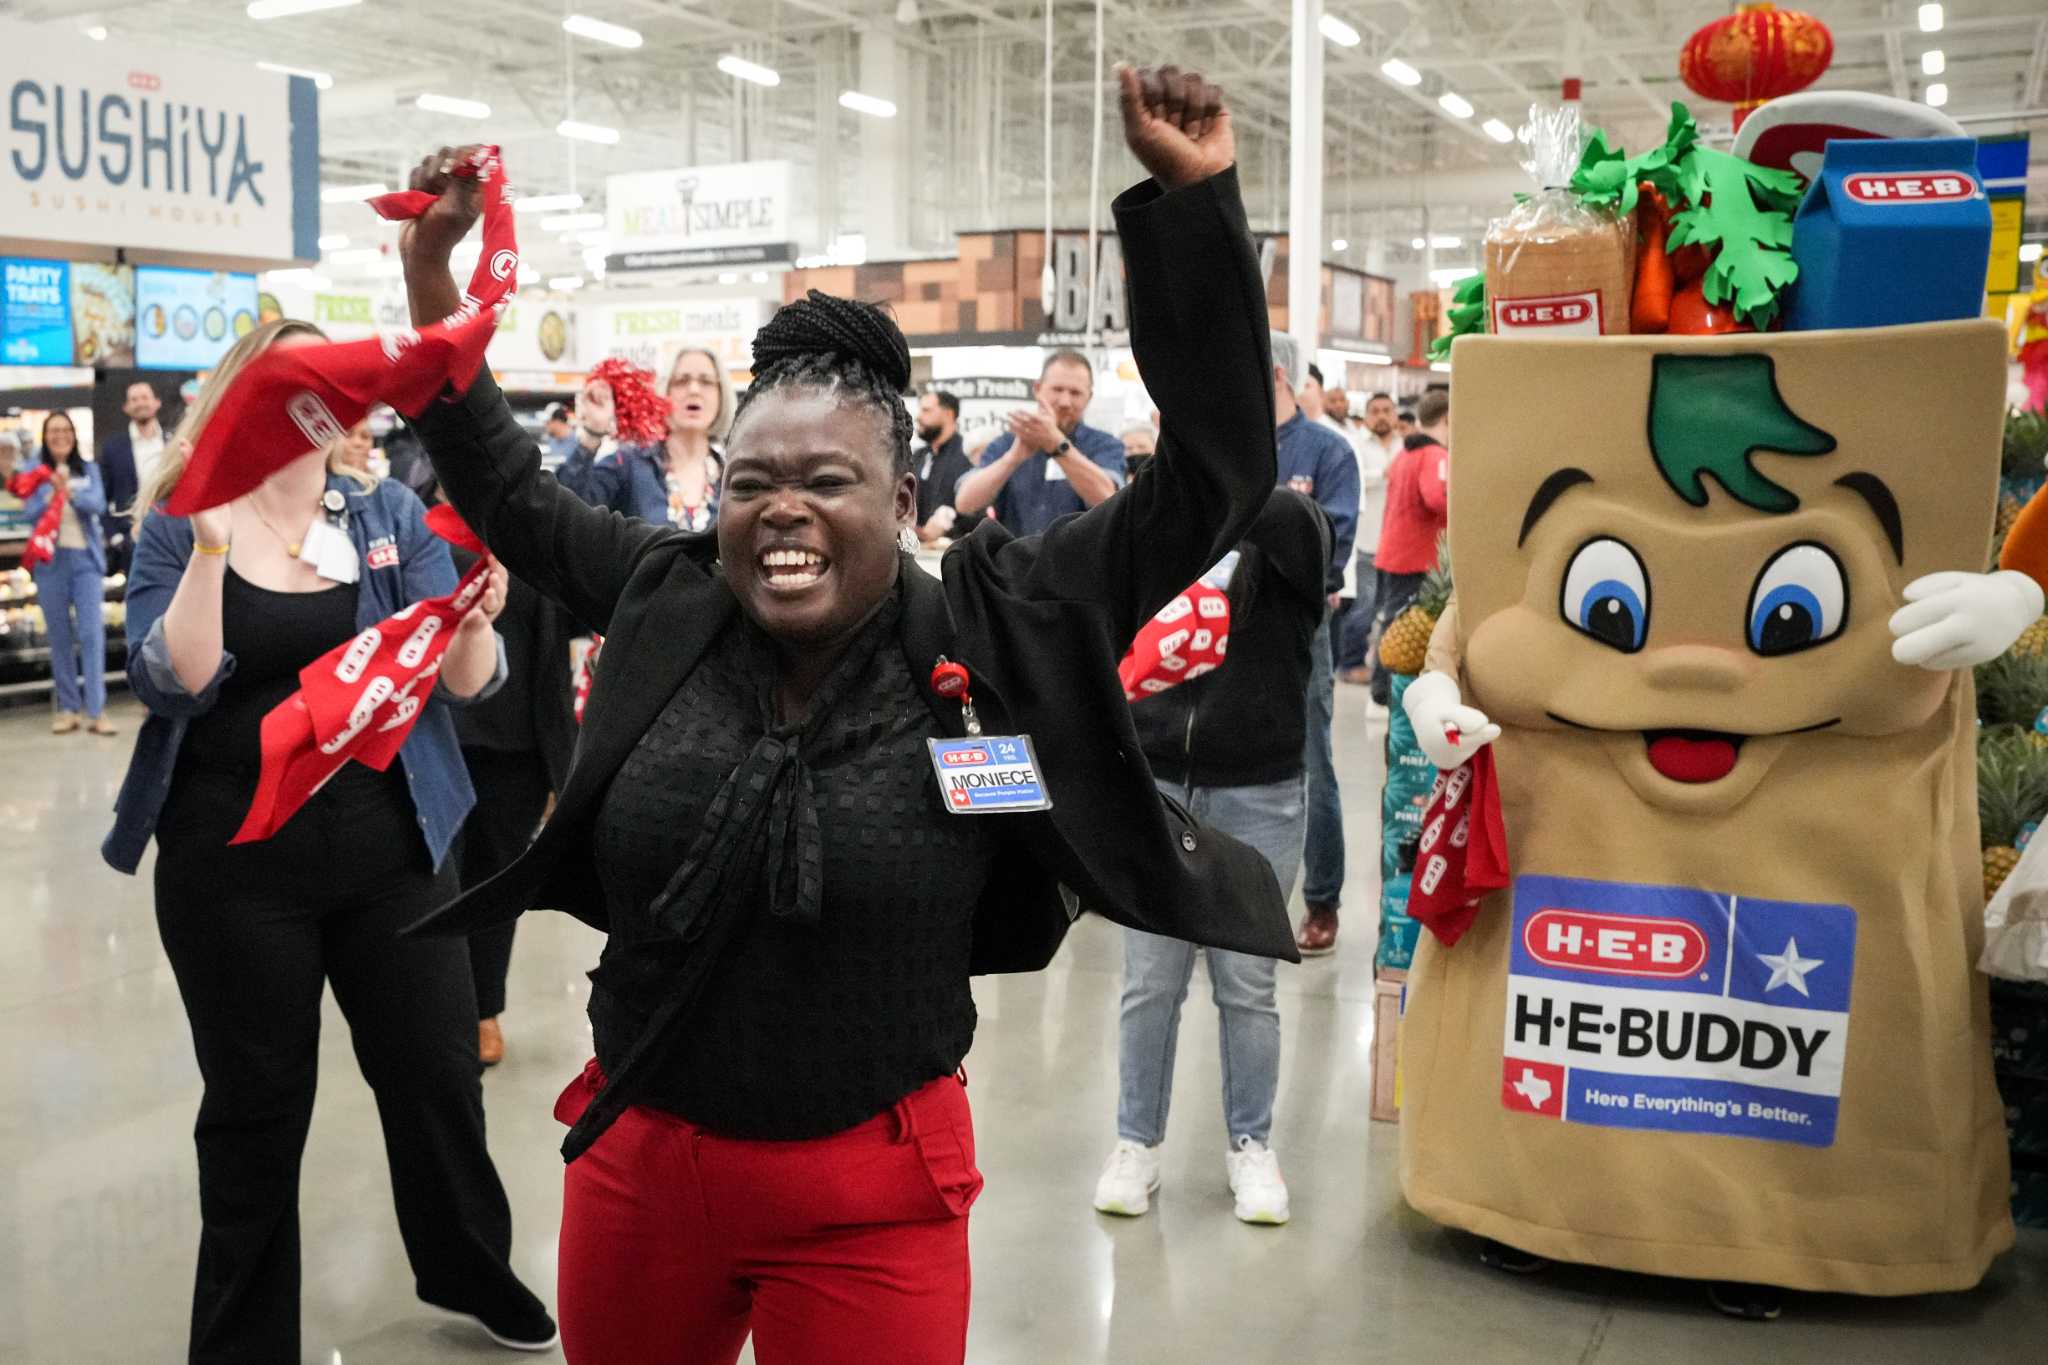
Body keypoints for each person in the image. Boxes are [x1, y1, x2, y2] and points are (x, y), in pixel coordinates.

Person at [393, 63, 1291, 1364]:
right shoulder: (666, 593)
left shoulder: (989, 621)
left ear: (899, 489)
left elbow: (1208, 480)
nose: (783, 506)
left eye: (828, 477)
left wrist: (1197, 211)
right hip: (644, 1160)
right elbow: (514, 496)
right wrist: (434, 295)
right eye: (754, 480)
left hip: (874, 1189)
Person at [101, 319, 557, 1361]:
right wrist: (214, 541)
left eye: (323, 384)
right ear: (240, 394)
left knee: (438, 1075)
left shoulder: (388, 510)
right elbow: (173, 679)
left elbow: (469, 685)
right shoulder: (181, 520)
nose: (305, 404)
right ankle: (243, 1336)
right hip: (234, 865)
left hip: (395, 849)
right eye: (280, 383)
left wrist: (477, 619)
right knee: (257, 1105)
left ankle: (467, 1266)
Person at [1095, 487, 1330, 1226]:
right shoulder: (1159, 540)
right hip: (1158, 781)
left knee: (1247, 981)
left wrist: (1223, 469)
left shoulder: (1290, 534)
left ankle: (1251, 1143)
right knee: (1150, 979)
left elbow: (1285, 520)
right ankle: (1136, 1141)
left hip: (1260, 789)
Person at [413, 463, 578, 1069]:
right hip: (438, 735)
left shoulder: (526, 525)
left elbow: (564, 625)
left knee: (494, 885)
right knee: (432, 883)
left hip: (519, 745)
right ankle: (435, 1008)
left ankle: (484, 1010)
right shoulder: (415, 524)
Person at [1268, 333, 1357, 959]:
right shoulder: (1220, 446)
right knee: (1215, 767)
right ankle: (1222, 897)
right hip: (1211, 625)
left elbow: (1336, 545)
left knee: (1312, 763)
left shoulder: (1327, 452)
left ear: (1274, 374)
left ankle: (1322, 900)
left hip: (1298, 628)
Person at [952, 349, 1125, 535]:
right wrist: (1012, 458)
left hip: (1080, 561)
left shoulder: (1105, 445)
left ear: (1089, 397)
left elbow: (1109, 500)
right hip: (1016, 561)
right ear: (1037, 389)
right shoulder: (1007, 443)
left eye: (1075, 393)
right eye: (1057, 389)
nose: (1065, 401)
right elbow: (965, 503)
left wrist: (1058, 445)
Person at [559, 348, 734, 531]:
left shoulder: (734, 473)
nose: (694, 389)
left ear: (721, 395)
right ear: (664, 391)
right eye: (682, 381)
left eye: (706, 381)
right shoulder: (628, 464)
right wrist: (591, 437)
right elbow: (566, 517)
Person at [20, 412, 116, 735]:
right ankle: (69, 708)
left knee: (91, 634)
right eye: (53, 431)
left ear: (73, 435)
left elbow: (99, 504)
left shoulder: (88, 469)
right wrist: (50, 492)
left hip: (85, 562)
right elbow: (29, 511)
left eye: (65, 430)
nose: (60, 436)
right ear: (45, 436)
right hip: (50, 564)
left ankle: (97, 710)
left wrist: (70, 491)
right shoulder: (35, 471)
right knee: (60, 637)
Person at [1367, 386, 1450, 709]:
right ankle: (1389, 691)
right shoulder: (1435, 455)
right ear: (1448, 419)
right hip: (1416, 558)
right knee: (1404, 629)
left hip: (1391, 551)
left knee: (1390, 624)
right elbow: (1435, 498)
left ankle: (1380, 687)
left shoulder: (1405, 453)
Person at [1338, 391, 1402, 685]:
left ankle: (1382, 667)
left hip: (1398, 544)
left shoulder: (1405, 446)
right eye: (1375, 411)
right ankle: (1350, 663)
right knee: (1364, 608)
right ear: (1366, 417)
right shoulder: (1356, 446)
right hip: (1366, 542)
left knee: (1390, 611)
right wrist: (1384, 473)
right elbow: (1357, 479)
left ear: (1395, 415)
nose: (1381, 416)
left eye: (1386, 410)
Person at [99, 378, 170, 572]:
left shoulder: (174, 442)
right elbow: (101, 498)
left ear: (157, 402)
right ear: (126, 407)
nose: (140, 403)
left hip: (171, 536)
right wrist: (116, 537)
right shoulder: (112, 448)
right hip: (132, 541)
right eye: (134, 399)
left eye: (145, 397)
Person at [913, 388, 973, 544]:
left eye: (926, 410)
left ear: (949, 414)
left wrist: (948, 527)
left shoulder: (967, 457)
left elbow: (978, 512)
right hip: (915, 553)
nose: (918, 417)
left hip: (952, 554)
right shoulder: (917, 457)